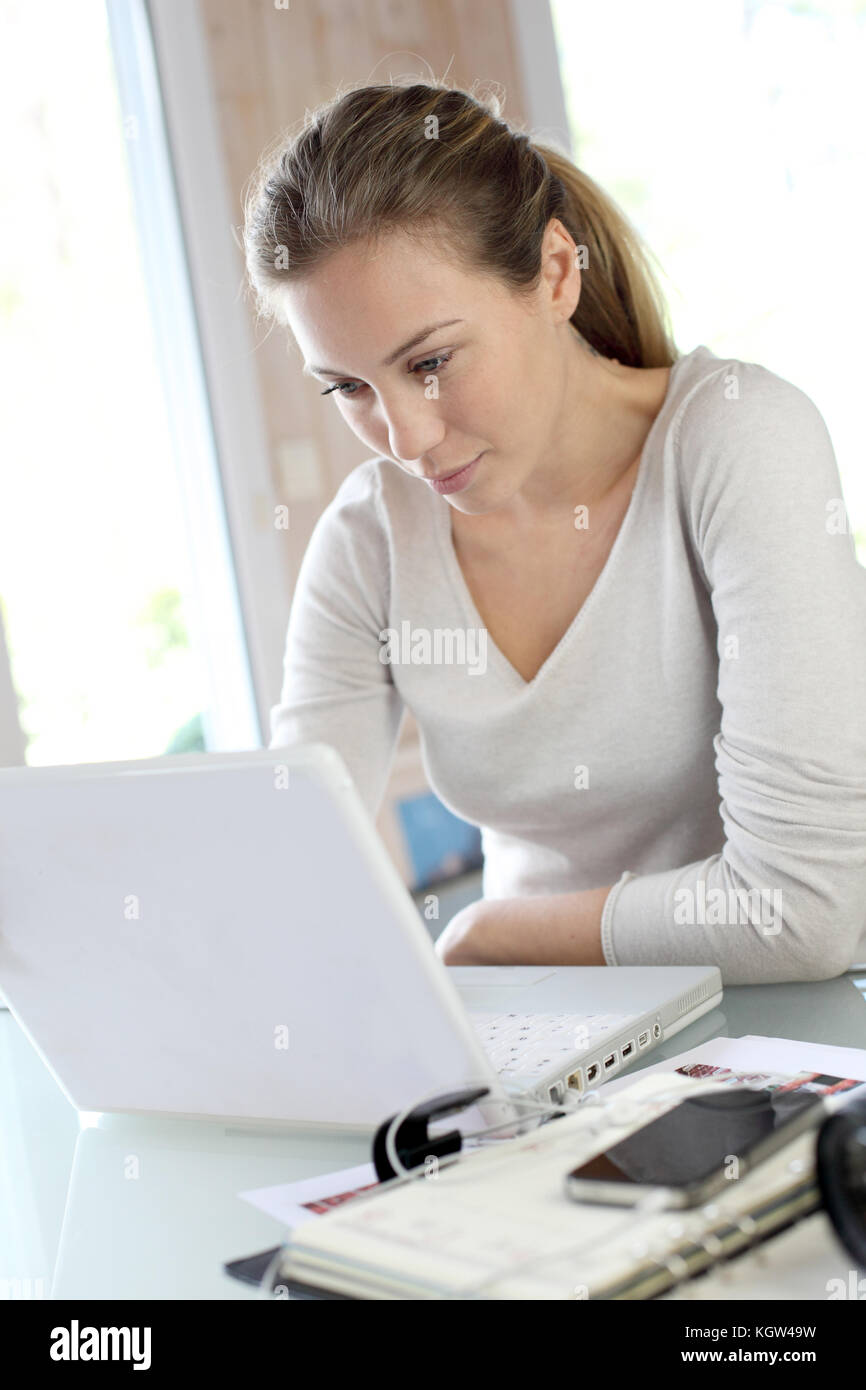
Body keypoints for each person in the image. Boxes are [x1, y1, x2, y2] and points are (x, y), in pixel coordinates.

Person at [243, 80, 866, 986]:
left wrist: (496, 932)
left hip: (791, 1036)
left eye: (430, 362)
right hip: (540, 1055)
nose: (405, 440)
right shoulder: (371, 539)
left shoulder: (738, 439)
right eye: (348, 388)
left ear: (556, 275)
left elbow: (804, 910)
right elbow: (289, 858)